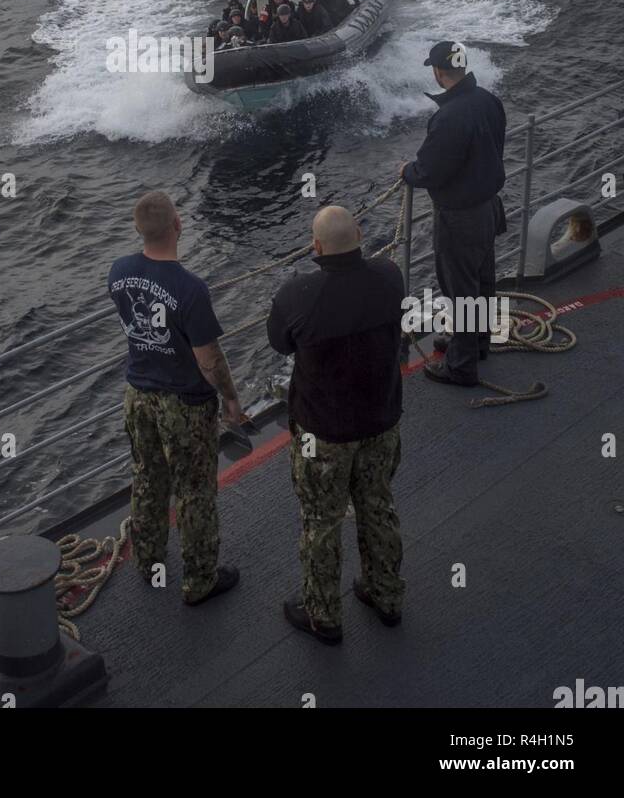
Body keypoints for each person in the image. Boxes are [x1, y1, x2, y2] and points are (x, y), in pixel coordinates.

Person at [267, 205, 406, 644]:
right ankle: (386, 595)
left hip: (321, 436)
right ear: (360, 235)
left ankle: (323, 615)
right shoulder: (389, 276)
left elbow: (279, 341)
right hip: (380, 423)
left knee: (321, 522)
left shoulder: (296, 295)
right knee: (377, 507)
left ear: (316, 247)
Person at [108, 192, 244, 604]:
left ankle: (149, 563)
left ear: (138, 230)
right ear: (178, 226)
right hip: (183, 404)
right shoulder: (190, 290)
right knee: (194, 491)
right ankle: (200, 580)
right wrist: (232, 399)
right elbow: (209, 361)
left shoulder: (119, 272)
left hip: (137, 395)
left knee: (148, 479)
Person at [400, 42, 507, 387]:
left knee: (461, 291)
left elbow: (429, 171)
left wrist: (407, 172)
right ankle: (477, 344)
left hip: (459, 217)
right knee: (483, 282)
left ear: (438, 71)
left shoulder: (448, 117)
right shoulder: (488, 101)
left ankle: (461, 366)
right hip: (488, 208)